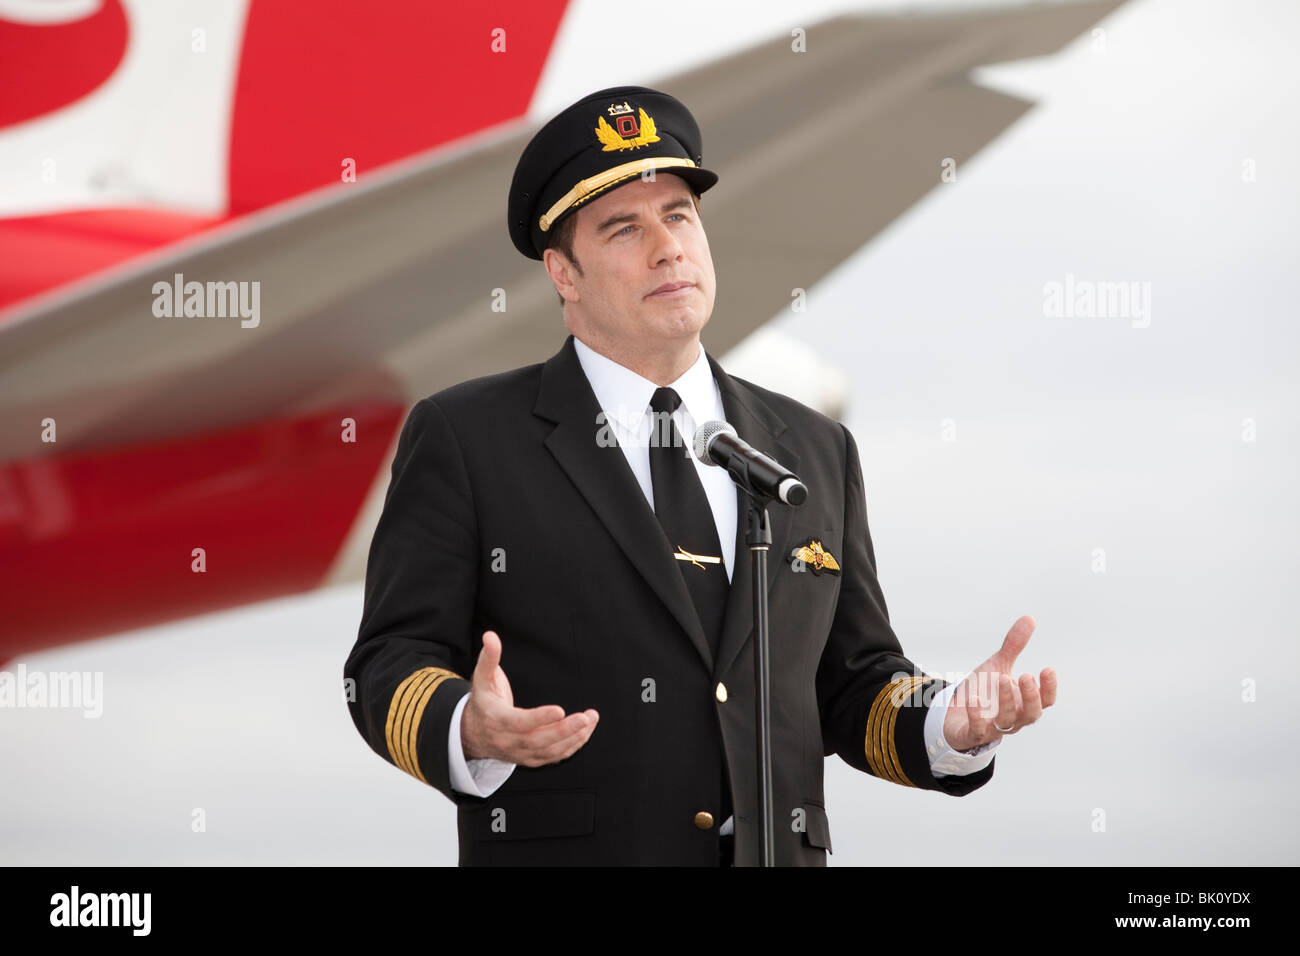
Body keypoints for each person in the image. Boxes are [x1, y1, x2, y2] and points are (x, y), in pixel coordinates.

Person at [343, 85, 1057, 866]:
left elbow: (853, 685)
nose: (667, 248)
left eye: (679, 216)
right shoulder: (469, 437)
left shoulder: (814, 448)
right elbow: (390, 661)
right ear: (563, 272)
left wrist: (948, 720)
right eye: (624, 228)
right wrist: (467, 727)